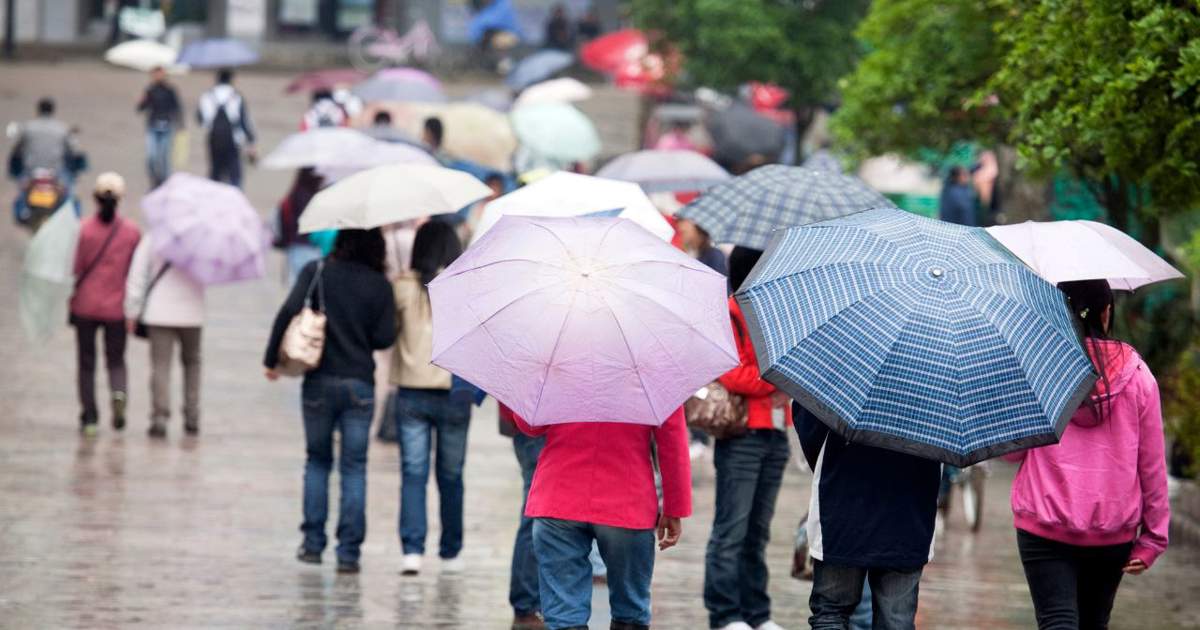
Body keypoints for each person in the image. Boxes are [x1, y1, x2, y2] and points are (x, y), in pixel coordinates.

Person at [1006, 279, 1169, 630]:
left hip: (1043, 524)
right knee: (1095, 623)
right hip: (1113, 532)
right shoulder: (1139, 377)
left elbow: (1011, 452)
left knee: (1056, 621)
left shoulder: (1042, 367)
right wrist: (1153, 538)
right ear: (1107, 313)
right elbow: (1152, 464)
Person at [263, 229, 397, 574]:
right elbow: (384, 339)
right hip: (360, 386)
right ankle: (349, 552)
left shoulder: (318, 271)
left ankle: (312, 545)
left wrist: (271, 361)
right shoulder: (380, 284)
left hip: (319, 382)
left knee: (318, 462)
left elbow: (288, 311)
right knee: (354, 468)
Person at [508, 399, 691, 630]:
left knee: (564, 616)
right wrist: (675, 507)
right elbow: (672, 440)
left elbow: (528, 424)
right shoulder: (654, 369)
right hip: (626, 500)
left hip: (558, 497)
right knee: (631, 613)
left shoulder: (559, 365)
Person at [703, 246, 791, 630]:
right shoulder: (729, 313)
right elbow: (731, 372)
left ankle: (758, 613)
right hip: (741, 435)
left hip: (775, 435)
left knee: (758, 532)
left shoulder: (778, 313)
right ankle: (725, 613)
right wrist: (772, 380)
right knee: (731, 531)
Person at [795, 400, 940, 628]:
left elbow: (808, 418)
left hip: (844, 497)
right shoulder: (940, 374)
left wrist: (829, 465)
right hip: (909, 505)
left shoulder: (842, 366)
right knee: (896, 621)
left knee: (831, 612)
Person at [393, 221, 471, 576]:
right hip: (454, 390)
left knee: (413, 473)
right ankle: (450, 550)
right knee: (451, 475)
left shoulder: (404, 288)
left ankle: (412, 549)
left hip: (411, 389)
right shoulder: (463, 288)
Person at [69, 173, 141, 436]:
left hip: (85, 306)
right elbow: (135, 271)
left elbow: (74, 268)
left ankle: (89, 416)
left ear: (95, 198)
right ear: (120, 200)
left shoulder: (83, 229)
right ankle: (119, 393)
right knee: (116, 360)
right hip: (116, 309)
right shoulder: (132, 232)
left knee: (86, 363)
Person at [125, 227, 207, 438]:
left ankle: (159, 416)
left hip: (159, 312)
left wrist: (131, 310)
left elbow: (137, 274)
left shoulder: (153, 237)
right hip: (192, 311)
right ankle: (192, 415)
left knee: (161, 365)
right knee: (192, 363)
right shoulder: (201, 239)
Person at [501, 404, 547, 630]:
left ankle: (528, 602)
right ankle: (527, 603)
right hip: (538, 421)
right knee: (537, 510)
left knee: (536, 507)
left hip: (526, 418)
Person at [197, 69, 257, 188]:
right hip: (232, 139)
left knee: (215, 172)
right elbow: (244, 121)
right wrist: (251, 141)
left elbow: (200, 119)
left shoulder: (207, 95)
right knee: (234, 174)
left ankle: (213, 198)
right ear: (231, 79)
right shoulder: (236, 95)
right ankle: (235, 201)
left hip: (214, 138)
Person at [274, 168, 326, 286]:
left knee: (299, 288)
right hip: (308, 248)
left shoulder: (294, 193)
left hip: (295, 247)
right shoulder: (309, 197)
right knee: (307, 289)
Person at [137, 66, 182, 188]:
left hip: (167, 126)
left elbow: (177, 108)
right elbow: (140, 108)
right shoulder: (150, 91)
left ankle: (165, 184)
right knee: (151, 156)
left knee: (164, 157)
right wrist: (142, 100)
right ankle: (154, 180)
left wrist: (180, 125)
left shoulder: (170, 90)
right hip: (153, 126)